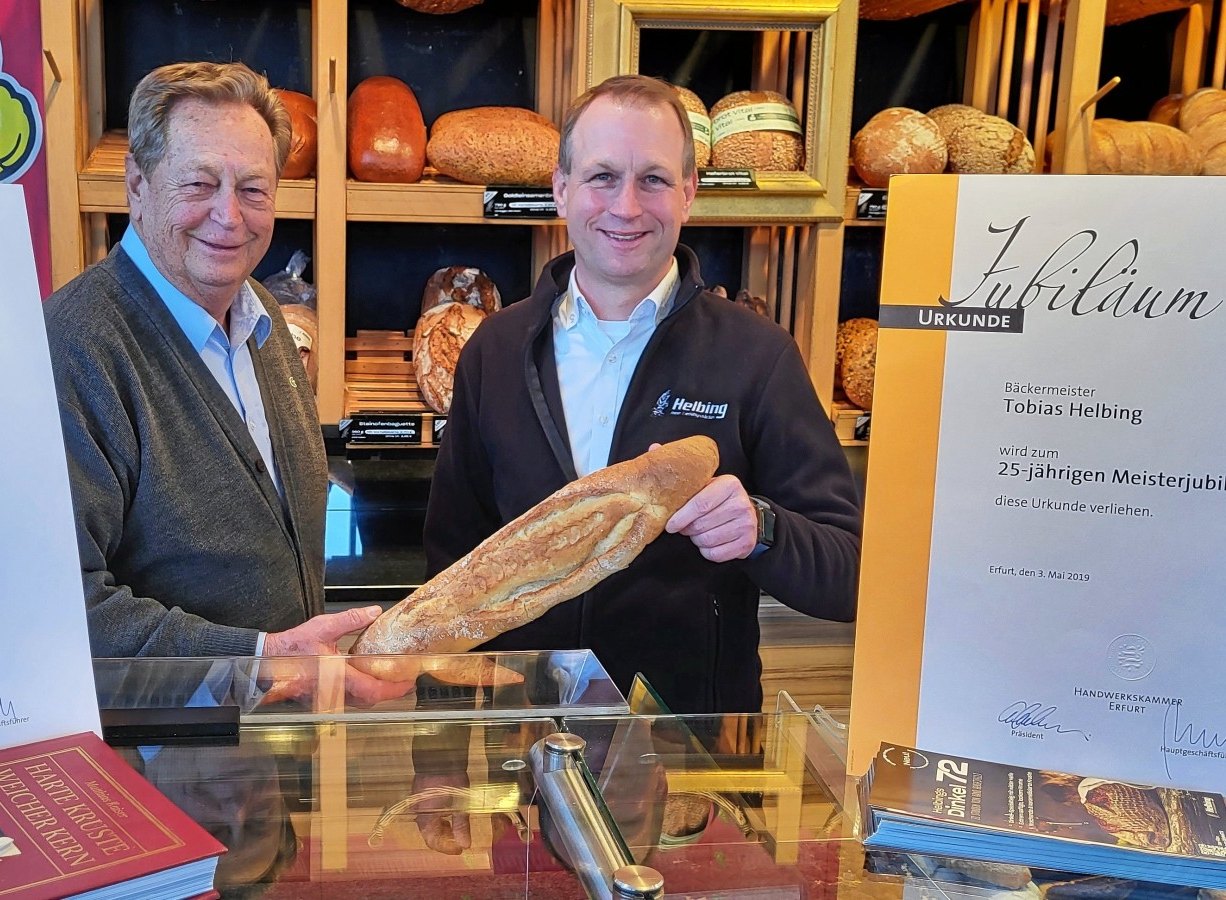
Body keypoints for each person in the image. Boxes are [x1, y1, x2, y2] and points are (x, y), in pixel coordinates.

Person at [424, 74, 862, 714]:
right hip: (521, 737)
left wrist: (761, 529)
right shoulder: (495, 349)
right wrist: (439, 756)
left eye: (653, 179)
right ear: (561, 189)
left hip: (692, 747)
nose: (626, 206)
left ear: (689, 192)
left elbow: (848, 576)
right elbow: (450, 570)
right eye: (602, 176)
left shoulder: (757, 356)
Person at [44, 61, 395, 695]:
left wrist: (286, 659)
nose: (229, 216)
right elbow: (61, 605)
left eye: (254, 189)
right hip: (152, 764)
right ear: (137, 184)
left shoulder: (261, 318)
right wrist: (257, 657)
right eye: (200, 183)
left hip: (267, 752)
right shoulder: (74, 347)